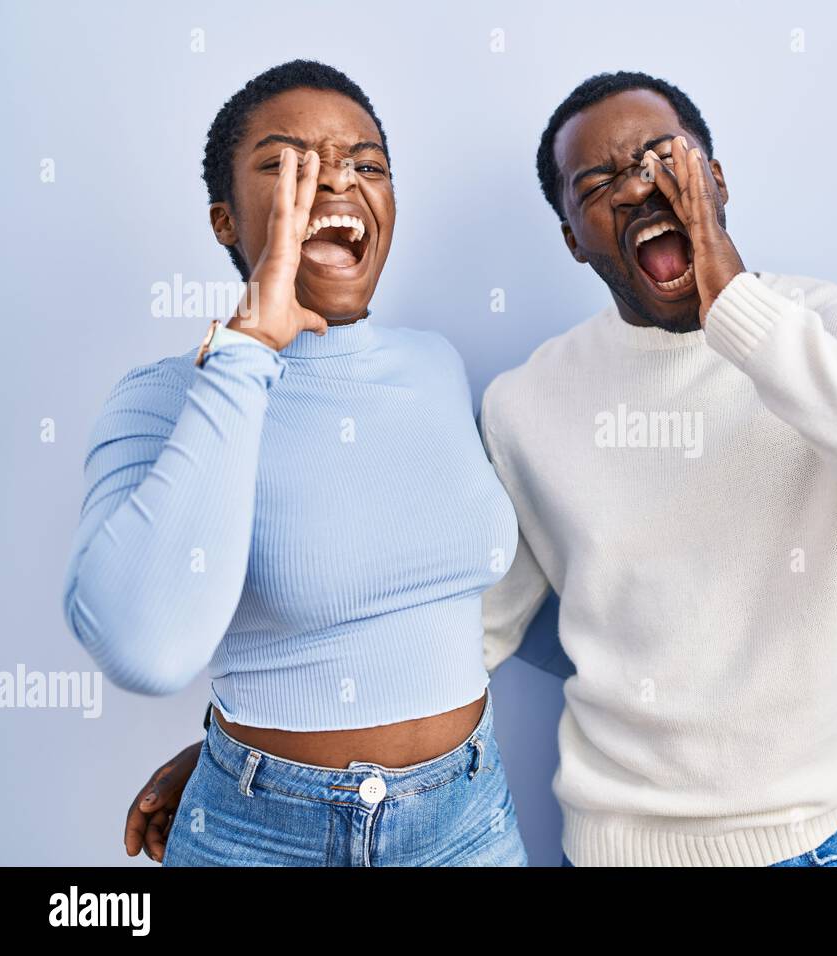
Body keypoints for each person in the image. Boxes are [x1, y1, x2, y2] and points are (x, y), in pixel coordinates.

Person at [127, 70, 837, 868]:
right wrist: (234, 762)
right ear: (571, 236)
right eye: (599, 183)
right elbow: (460, 627)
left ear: (715, 182)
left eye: (664, 161)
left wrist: (744, 315)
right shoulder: (529, 405)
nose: (640, 189)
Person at [65, 60, 526, 867]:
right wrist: (247, 349)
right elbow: (144, 645)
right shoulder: (169, 397)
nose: (337, 181)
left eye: (367, 163)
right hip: (261, 839)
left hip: (470, 818)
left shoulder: (435, 365)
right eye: (288, 165)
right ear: (224, 220)